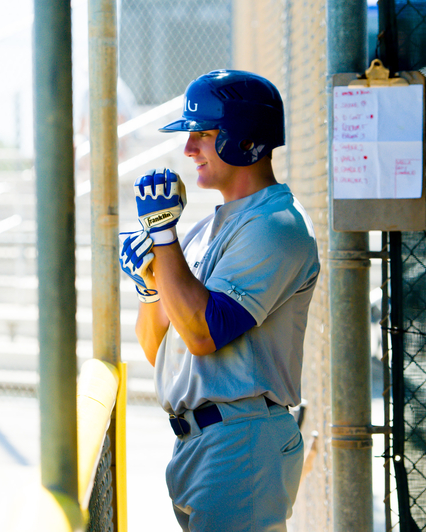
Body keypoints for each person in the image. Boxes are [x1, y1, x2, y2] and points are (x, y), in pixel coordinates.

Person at [119, 70, 320, 531]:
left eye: (204, 135)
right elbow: (161, 351)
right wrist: (150, 289)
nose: (189, 149)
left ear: (244, 138)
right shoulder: (206, 228)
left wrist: (163, 237)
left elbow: (203, 334)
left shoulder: (276, 225)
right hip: (202, 444)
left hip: (240, 443)